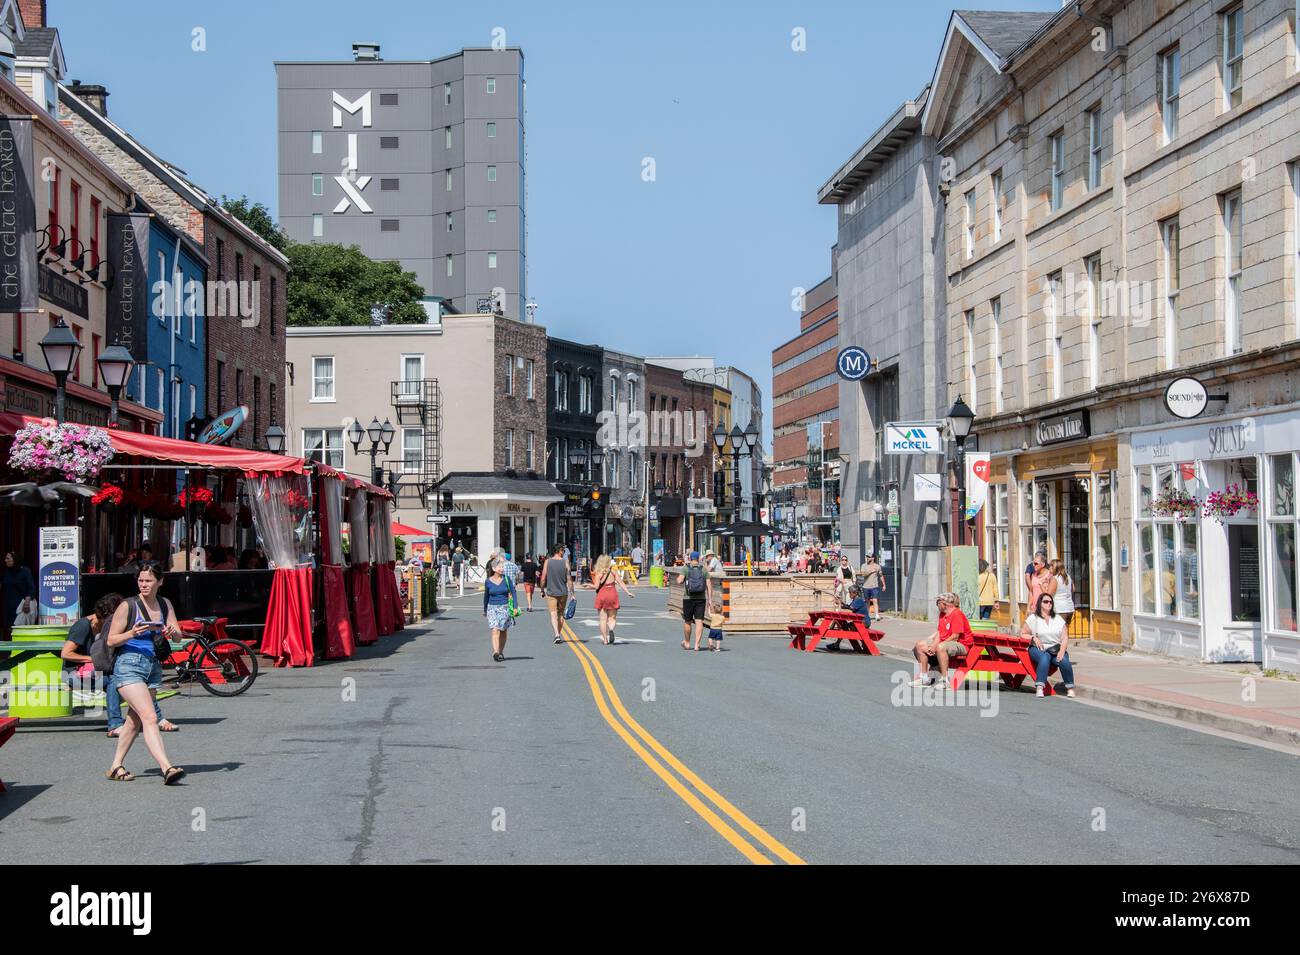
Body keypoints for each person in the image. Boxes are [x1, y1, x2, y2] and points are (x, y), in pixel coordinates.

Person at [103, 562, 185, 783]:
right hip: (128, 664)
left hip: (152, 666)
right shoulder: (128, 605)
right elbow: (110, 639)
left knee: (134, 720)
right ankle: (167, 767)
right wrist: (132, 632)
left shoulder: (164, 604)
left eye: (148, 580)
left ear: (160, 581)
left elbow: (178, 636)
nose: (144, 584)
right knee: (150, 716)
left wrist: (171, 631)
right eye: (141, 580)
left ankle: (115, 766)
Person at [910, 592, 975, 687]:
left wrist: (937, 646)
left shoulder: (957, 614)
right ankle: (924, 677)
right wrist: (933, 645)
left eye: (938, 602)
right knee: (920, 645)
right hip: (945, 642)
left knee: (941, 647)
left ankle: (945, 681)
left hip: (962, 645)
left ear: (945, 603)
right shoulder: (942, 614)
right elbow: (939, 633)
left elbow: (955, 637)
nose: (936, 604)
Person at [1021, 593, 1076, 698]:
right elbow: (1023, 634)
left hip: (1055, 649)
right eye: (1045, 601)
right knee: (1044, 657)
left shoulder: (1058, 619)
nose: (1049, 604)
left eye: (1051, 602)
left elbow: (1065, 637)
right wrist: (1033, 638)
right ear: (1040, 603)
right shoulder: (1033, 618)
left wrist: (1062, 651)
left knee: (1064, 660)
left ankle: (1070, 688)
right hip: (1038, 649)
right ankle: (1040, 687)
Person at [587, 553, 635, 645]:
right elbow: (620, 582)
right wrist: (628, 592)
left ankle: (605, 640)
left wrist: (588, 585)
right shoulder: (613, 571)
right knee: (612, 618)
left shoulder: (599, 573)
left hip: (602, 594)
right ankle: (611, 629)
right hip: (612, 593)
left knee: (602, 619)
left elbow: (596, 587)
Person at [674, 551, 713, 651]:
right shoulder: (703, 569)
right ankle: (697, 644)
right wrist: (710, 600)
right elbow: (709, 585)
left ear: (690, 558)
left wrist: (680, 578)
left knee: (687, 621)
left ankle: (687, 642)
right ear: (698, 558)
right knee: (699, 621)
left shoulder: (686, 568)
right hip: (701, 598)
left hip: (688, 598)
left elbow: (679, 581)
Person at [483, 556, 518, 663]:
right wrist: (485, 609)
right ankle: (496, 652)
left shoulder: (507, 579)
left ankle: (501, 651)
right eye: (499, 566)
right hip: (492, 608)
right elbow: (486, 596)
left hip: (505, 607)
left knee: (503, 630)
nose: (502, 568)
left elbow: (513, 593)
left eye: (502, 566)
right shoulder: (488, 581)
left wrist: (515, 607)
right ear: (494, 569)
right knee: (495, 629)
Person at [541, 542, 574, 644]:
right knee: (560, 614)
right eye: (563, 550)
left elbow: (543, 578)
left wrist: (542, 590)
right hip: (563, 592)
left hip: (551, 592)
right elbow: (569, 579)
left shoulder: (548, 562)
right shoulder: (565, 562)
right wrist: (572, 593)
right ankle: (558, 634)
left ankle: (556, 634)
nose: (563, 552)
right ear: (559, 551)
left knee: (553, 614)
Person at [825, 585, 871, 652]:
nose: (849, 594)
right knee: (845, 626)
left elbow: (850, 609)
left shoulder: (859, 600)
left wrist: (841, 604)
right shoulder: (855, 600)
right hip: (859, 622)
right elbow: (848, 607)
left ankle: (865, 645)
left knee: (845, 627)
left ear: (855, 593)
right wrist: (840, 602)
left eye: (850, 592)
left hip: (864, 622)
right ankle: (837, 644)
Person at [2, 551, 36, 638]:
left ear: (15, 560)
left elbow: (31, 588)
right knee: (9, 630)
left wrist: (27, 602)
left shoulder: (24, 571)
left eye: (8, 558)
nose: (5, 560)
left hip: (21, 606)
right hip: (8, 606)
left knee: (19, 630)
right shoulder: (6, 572)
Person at [1050, 558, 1075, 628]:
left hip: (1059, 608)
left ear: (1055, 568)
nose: (1049, 568)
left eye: (1051, 566)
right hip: (1069, 607)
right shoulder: (1067, 577)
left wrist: (1041, 585)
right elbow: (1073, 589)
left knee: (1058, 632)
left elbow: (1048, 595)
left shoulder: (1055, 579)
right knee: (1064, 631)